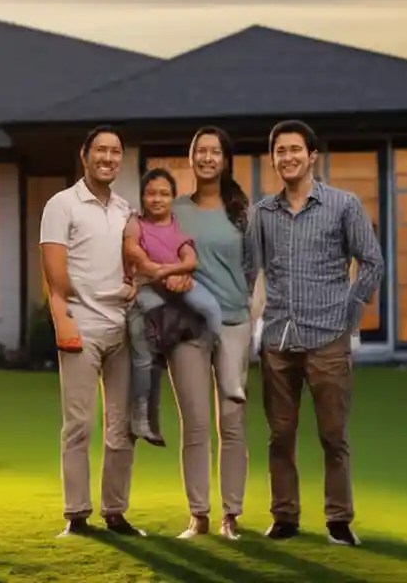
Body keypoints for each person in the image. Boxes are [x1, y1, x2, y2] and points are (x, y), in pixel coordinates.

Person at [247, 119, 383, 547]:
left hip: (328, 338)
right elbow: (249, 271)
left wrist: (350, 310)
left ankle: (339, 520)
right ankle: (284, 517)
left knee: (333, 436)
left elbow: (372, 261)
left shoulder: (343, 205)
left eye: (294, 150)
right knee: (280, 435)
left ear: (312, 157)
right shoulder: (262, 213)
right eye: (280, 151)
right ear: (273, 160)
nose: (288, 157)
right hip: (278, 341)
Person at [39, 124, 144, 538]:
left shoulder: (124, 209)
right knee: (79, 424)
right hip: (80, 328)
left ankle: (115, 512)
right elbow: (53, 269)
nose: (108, 158)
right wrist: (62, 319)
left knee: (122, 426)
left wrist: (134, 284)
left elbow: (131, 260)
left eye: (115, 152)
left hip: (122, 330)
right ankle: (77, 514)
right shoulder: (61, 205)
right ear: (84, 156)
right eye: (100, 150)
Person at [154, 126, 258, 541]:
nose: (207, 158)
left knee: (231, 423)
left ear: (226, 160)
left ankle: (231, 514)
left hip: (233, 325)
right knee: (194, 424)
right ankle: (198, 514)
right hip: (187, 328)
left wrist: (245, 309)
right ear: (192, 157)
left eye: (215, 152)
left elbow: (254, 269)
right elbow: (160, 259)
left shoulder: (243, 213)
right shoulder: (176, 210)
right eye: (201, 151)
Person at [123, 168, 239, 438]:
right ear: (142, 197)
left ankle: (219, 353)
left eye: (164, 194)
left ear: (173, 198)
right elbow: (135, 253)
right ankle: (140, 414)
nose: (157, 199)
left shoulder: (176, 225)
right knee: (144, 354)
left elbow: (191, 259)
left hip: (175, 282)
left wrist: (174, 273)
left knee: (210, 307)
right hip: (147, 290)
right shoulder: (136, 224)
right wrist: (160, 272)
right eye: (150, 193)